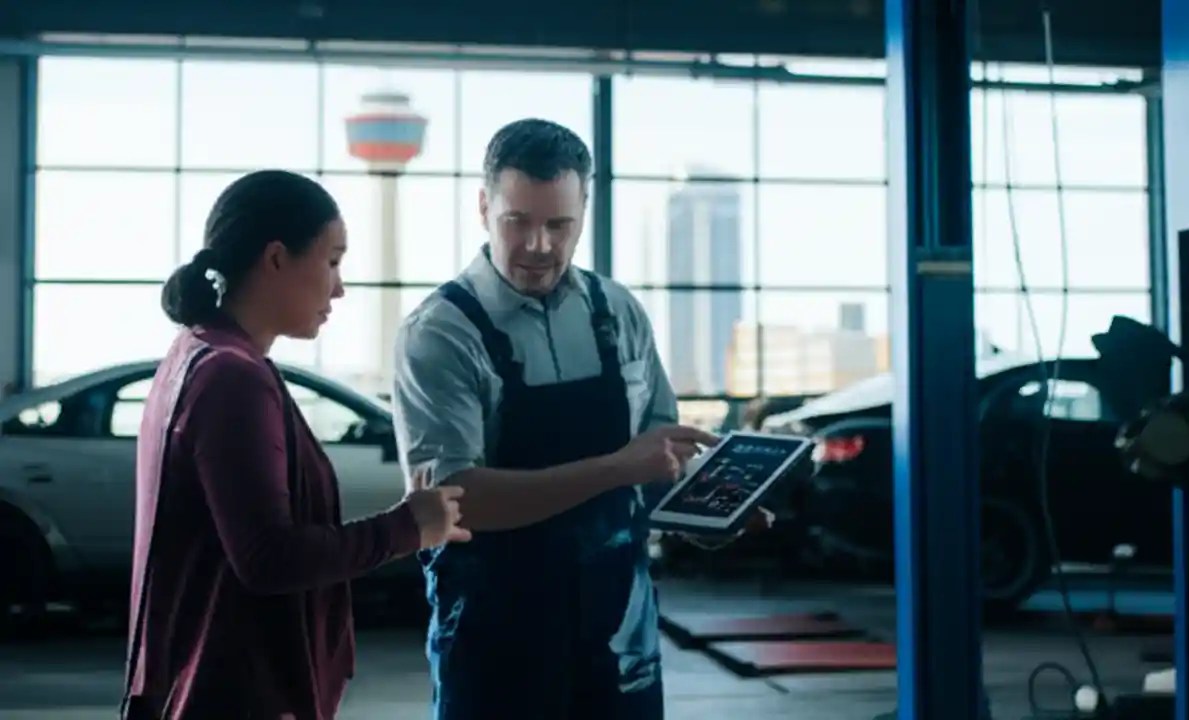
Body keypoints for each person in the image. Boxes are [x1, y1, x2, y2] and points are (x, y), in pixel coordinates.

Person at [392, 118, 762, 719]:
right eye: (518, 221)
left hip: (620, 635)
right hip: (496, 638)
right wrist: (618, 468)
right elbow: (459, 500)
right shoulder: (440, 333)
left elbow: (658, 461)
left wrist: (709, 513)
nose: (539, 245)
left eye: (559, 225)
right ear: (484, 207)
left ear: (584, 210)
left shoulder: (619, 313)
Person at [122, 170, 471, 720]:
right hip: (234, 694)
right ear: (277, 258)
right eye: (332, 261)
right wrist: (407, 527)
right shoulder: (232, 376)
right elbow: (269, 558)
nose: (339, 287)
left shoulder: (196, 354)